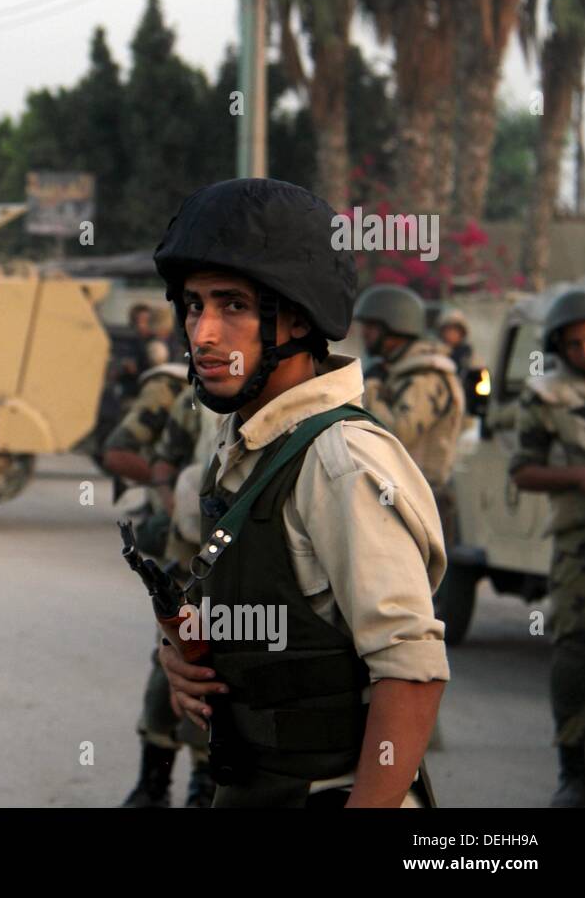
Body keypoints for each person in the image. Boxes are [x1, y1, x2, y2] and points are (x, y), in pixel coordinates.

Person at [152, 178, 448, 808]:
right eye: (193, 304)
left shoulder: (340, 462)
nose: (202, 333)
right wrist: (186, 660)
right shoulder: (242, 445)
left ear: (296, 317)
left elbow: (413, 673)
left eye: (232, 305)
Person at [104, 377, 216, 807]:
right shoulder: (193, 401)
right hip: (189, 553)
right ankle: (154, 784)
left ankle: (205, 787)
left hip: (245, 566)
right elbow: (164, 465)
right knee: (167, 671)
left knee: (217, 680)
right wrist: (178, 504)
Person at [509, 287, 585, 808]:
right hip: (579, 541)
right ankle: (573, 770)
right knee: (573, 647)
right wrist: (577, 476)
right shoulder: (546, 394)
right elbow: (523, 470)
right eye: (574, 341)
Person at [353, 285, 465, 545]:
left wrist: (371, 389)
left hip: (420, 498)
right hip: (398, 494)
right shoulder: (398, 372)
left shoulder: (427, 376)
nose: (365, 334)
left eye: (372, 327)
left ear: (396, 327)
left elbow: (396, 433)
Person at [436, 307, 473, 373]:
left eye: (456, 330)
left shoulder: (466, 353)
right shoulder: (436, 350)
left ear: (462, 334)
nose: (452, 334)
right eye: (449, 329)